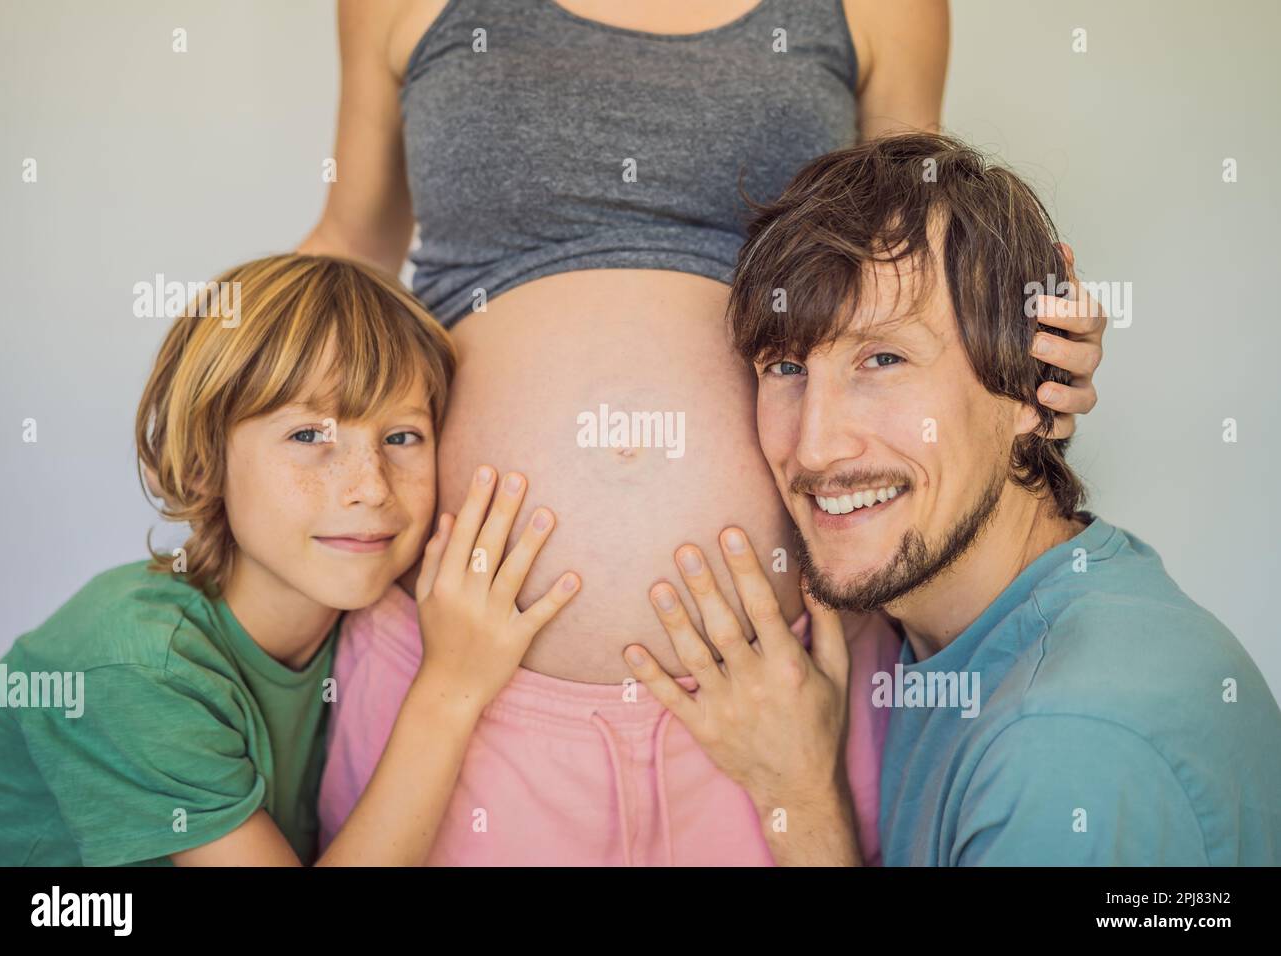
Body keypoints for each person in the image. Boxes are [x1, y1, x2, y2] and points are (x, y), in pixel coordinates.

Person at [306, 0, 1105, 865]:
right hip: (455, 675)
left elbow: (921, 261)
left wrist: (1027, 341)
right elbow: (353, 246)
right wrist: (213, 380)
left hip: (779, 690)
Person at [625, 132, 1281, 865]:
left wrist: (799, 798)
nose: (813, 448)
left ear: (1036, 386)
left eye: (883, 358)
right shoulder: (1013, 614)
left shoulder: (1069, 750)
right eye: (784, 366)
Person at [0, 254, 579, 865]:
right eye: (309, 437)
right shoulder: (136, 666)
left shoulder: (358, 628)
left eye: (401, 438)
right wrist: (450, 689)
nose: (371, 486)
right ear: (202, 465)